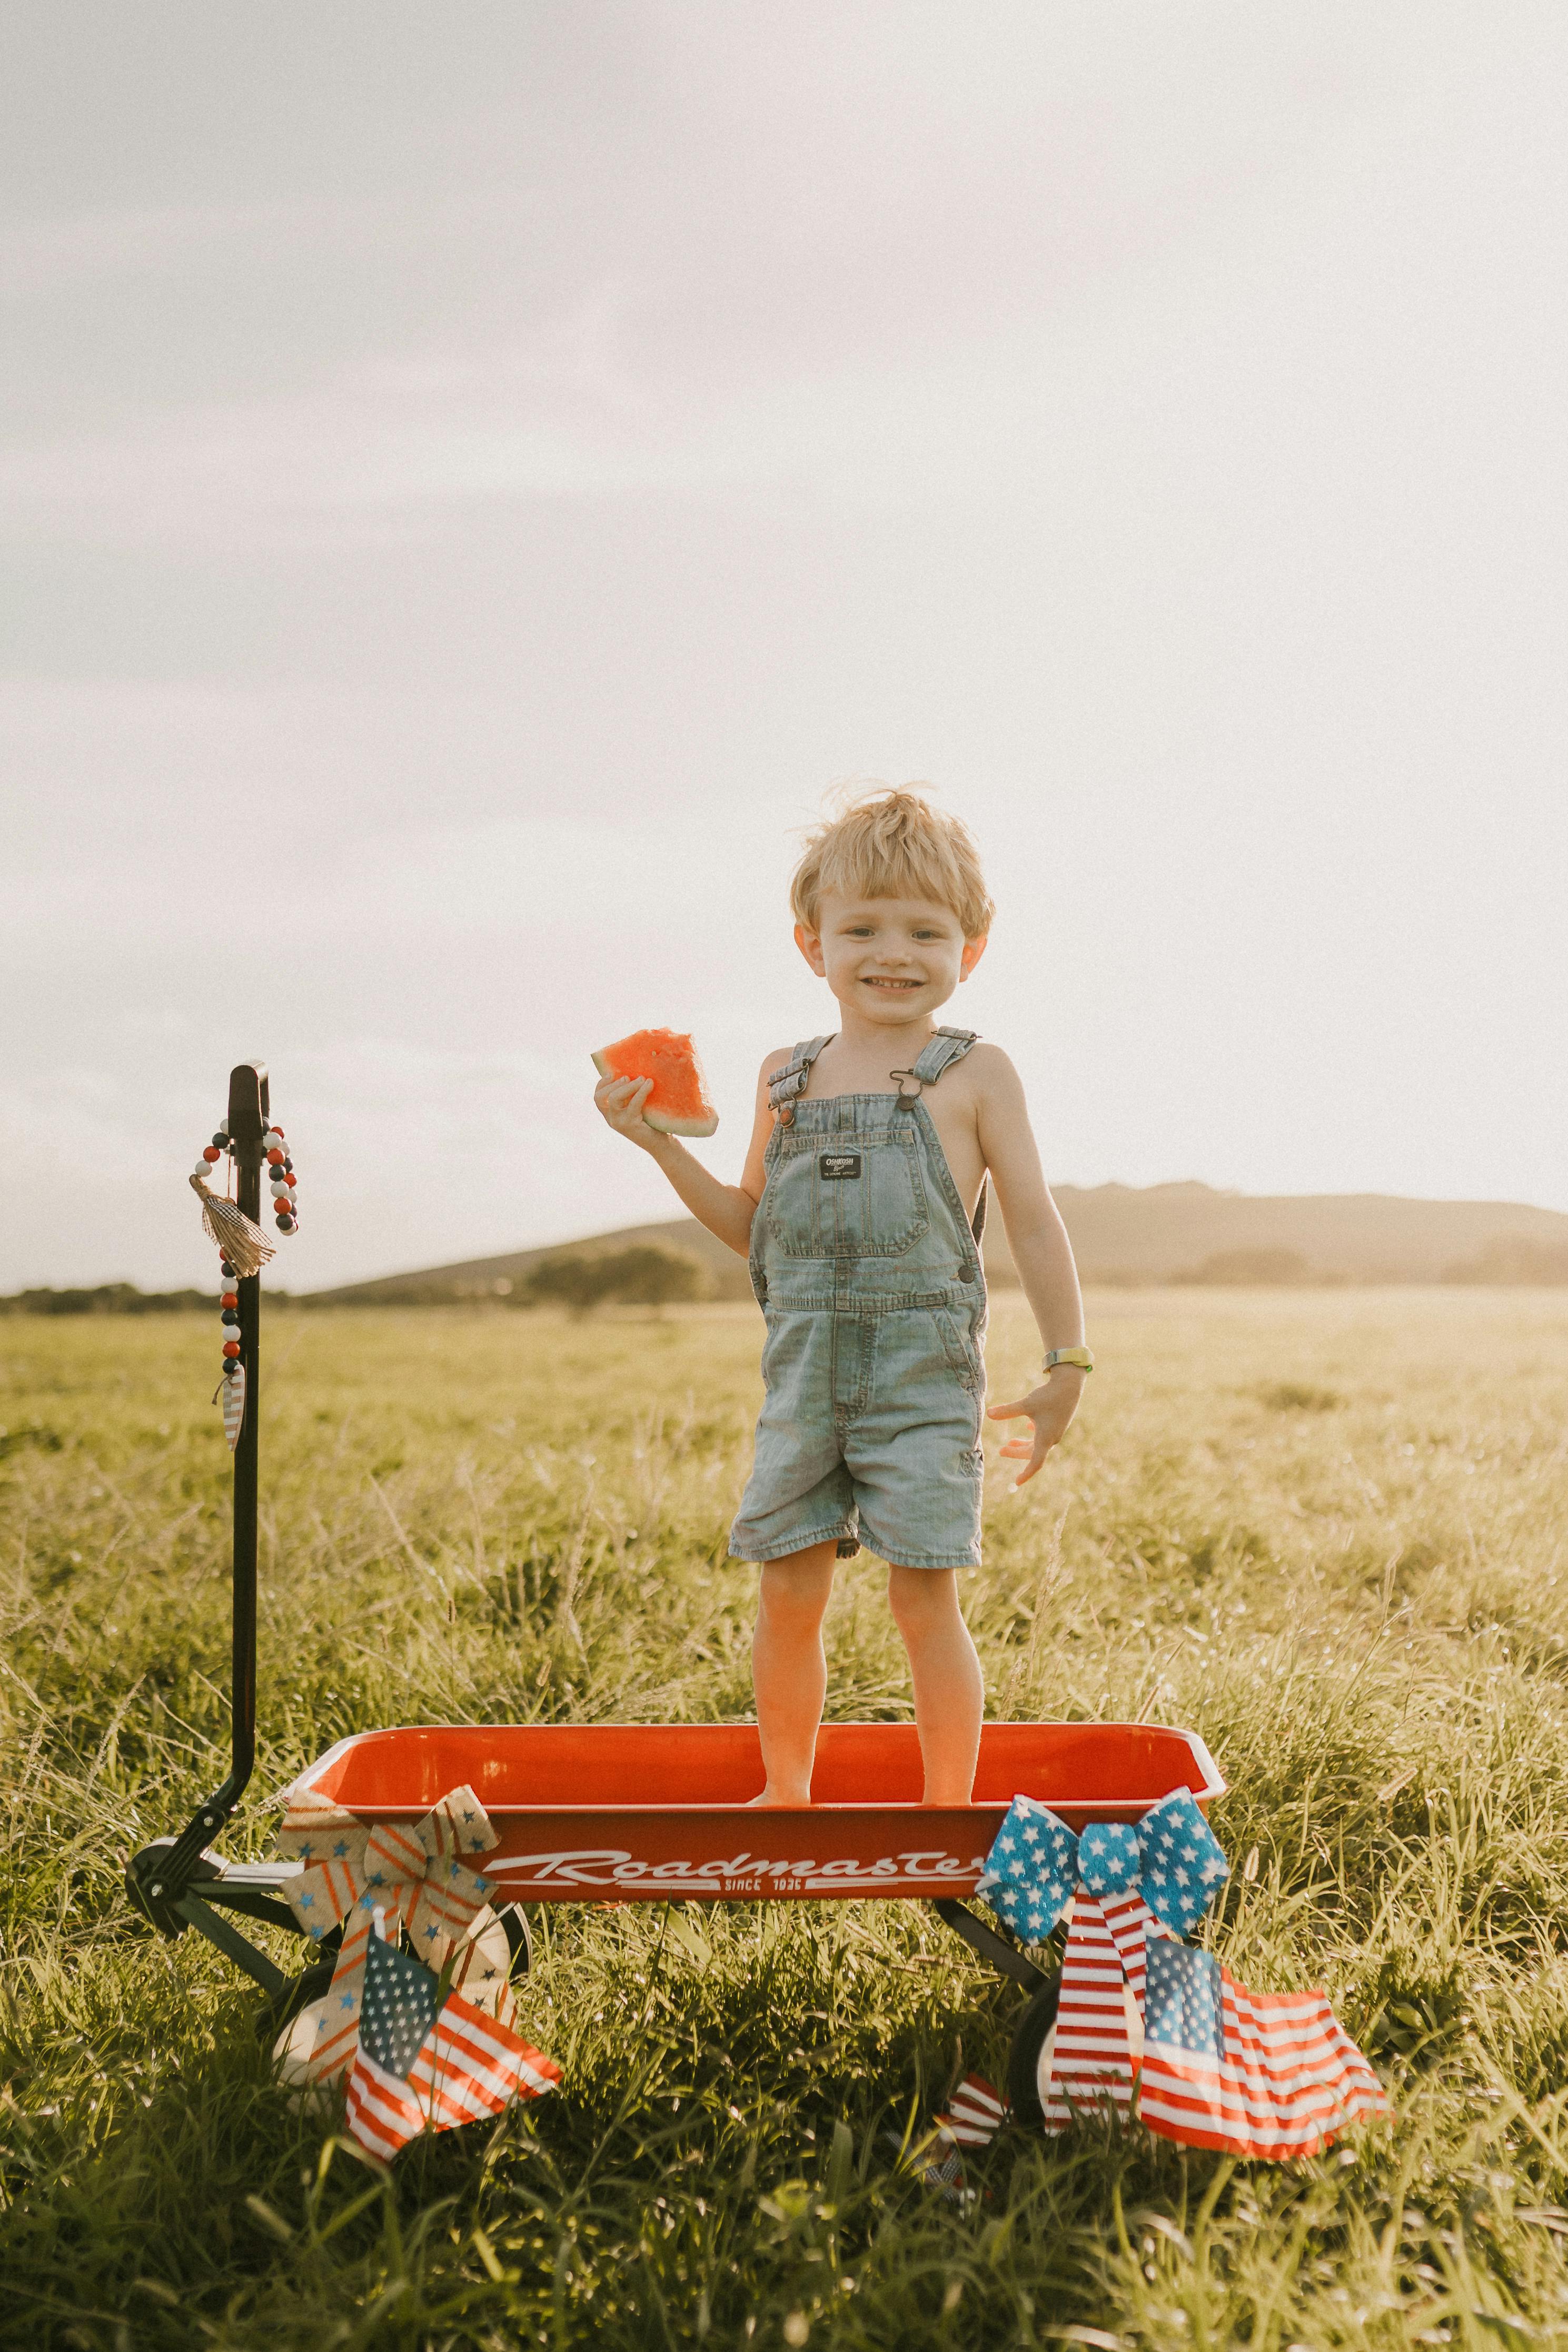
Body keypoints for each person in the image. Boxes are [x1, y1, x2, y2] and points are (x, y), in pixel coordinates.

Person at [593, 786, 1089, 1807]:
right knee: (786, 1592)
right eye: (862, 929)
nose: (892, 953)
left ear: (971, 948)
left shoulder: (978, 1072)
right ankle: (785, 1794)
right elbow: (750, 1227)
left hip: (924, 1378)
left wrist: (1065, 1361)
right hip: (805, 1375)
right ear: (812, 944)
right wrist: (655, 1145)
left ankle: (947, 1809)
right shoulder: (785, 1075)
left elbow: (1036, 1222)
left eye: (924, 931)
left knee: (923, 1599)